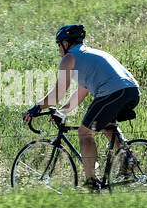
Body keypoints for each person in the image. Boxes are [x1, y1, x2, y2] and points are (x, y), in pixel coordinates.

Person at [24, 24, 140, 191]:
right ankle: (128, 159)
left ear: (65, 43)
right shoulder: (90, 55)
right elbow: (82, 92)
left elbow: (58, 94)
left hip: (113, 92)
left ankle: (91, 184)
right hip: (132, 92)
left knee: (85, 132)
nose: (59, 50)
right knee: (106, 126)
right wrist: (62, 112)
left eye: (59, 45)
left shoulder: (70, 58)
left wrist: (36, 108)